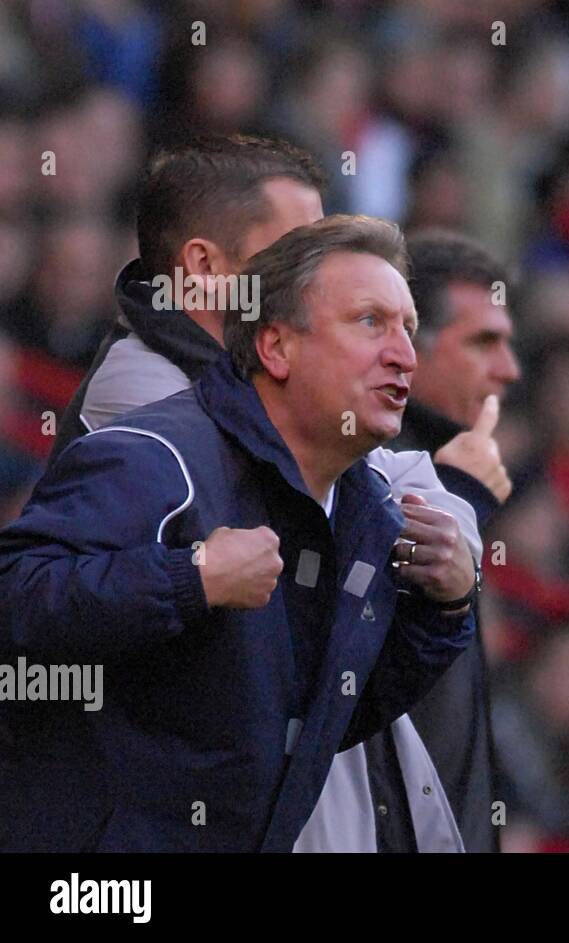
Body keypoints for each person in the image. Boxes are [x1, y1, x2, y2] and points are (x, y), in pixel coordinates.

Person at [48, 134, 476, 853]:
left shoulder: (277, 396)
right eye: (294, 245)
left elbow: (420, 493)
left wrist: (450, 588)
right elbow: (26, 594)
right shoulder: (142, 397)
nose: (319, 265)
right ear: (204, 266)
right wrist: (196, 575)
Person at [386, 229, 521, 852]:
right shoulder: (358, 469)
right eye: (483, 342)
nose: (509, 369)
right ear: (410, 345)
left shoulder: (442, 464)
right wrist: (458, 497)